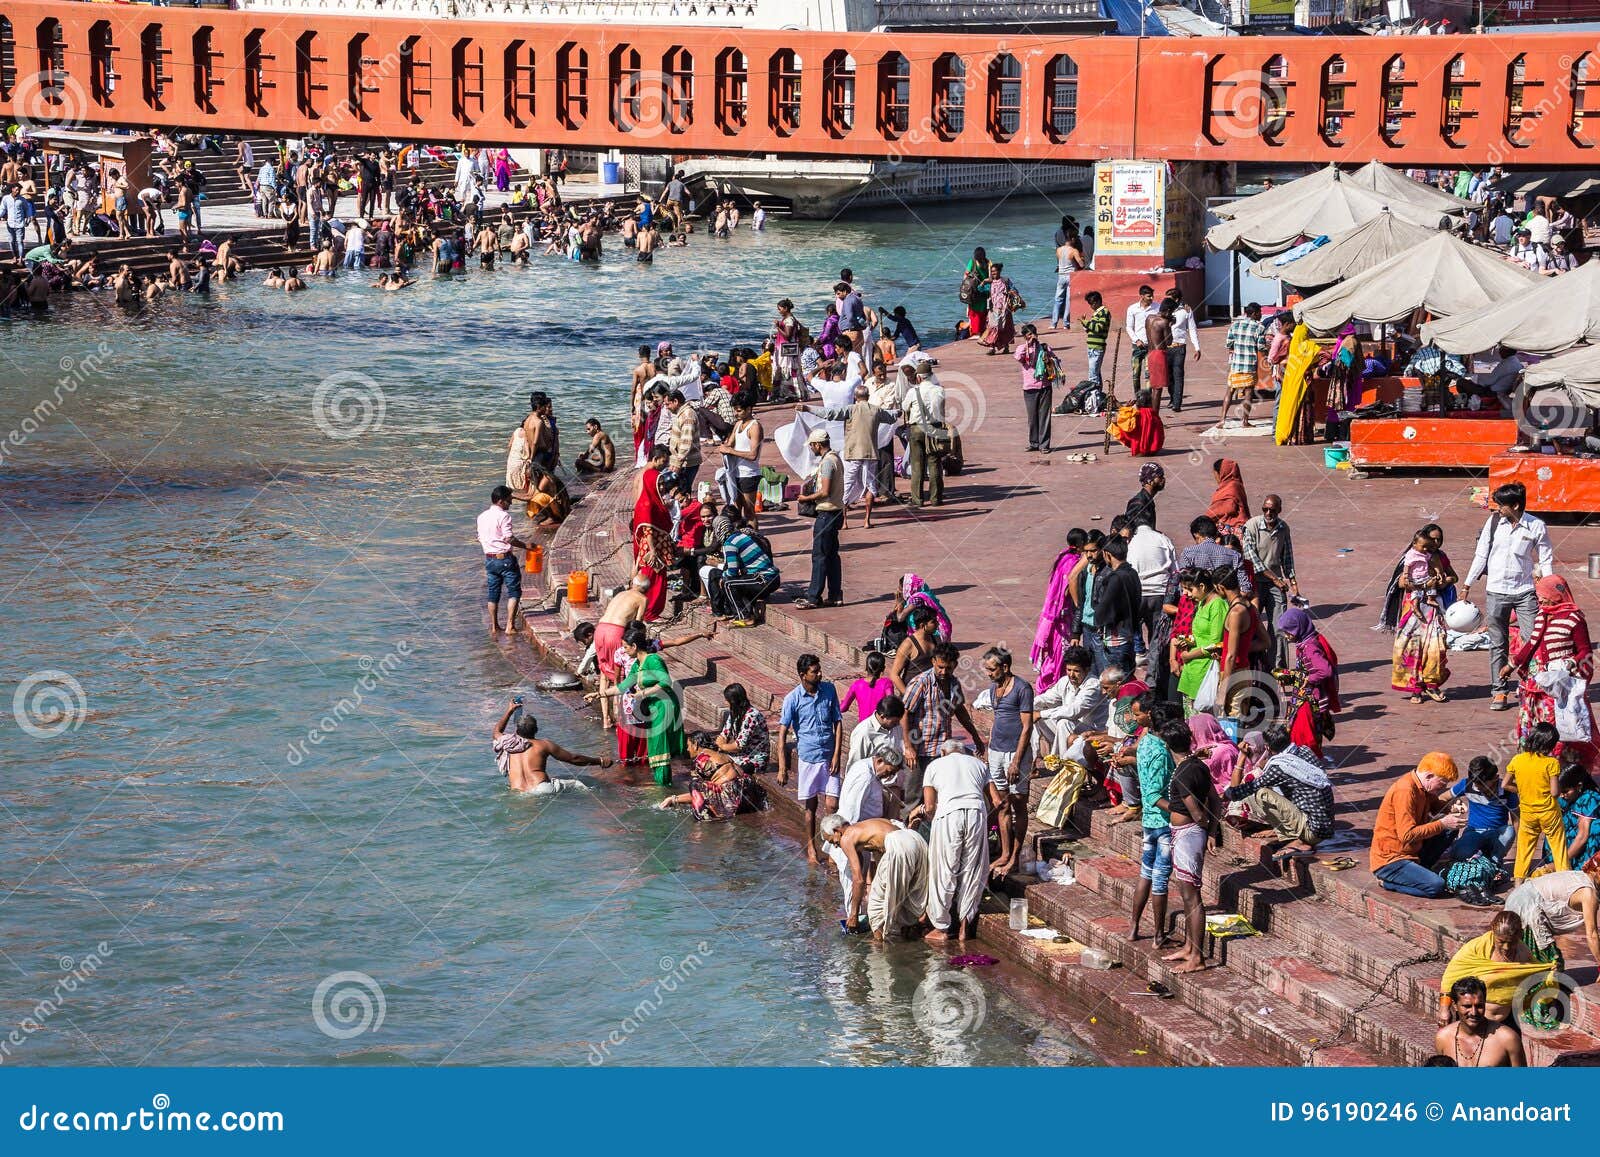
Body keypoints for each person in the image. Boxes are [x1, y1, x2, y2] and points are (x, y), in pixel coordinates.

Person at [1461, 482, 1555, 712]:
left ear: (1515, 505)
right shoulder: (1493, 523)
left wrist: (1548, 590)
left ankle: (1530, 685)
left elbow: (1546, 560)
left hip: (1525, 593)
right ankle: (1499, 691)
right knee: (1498, 643)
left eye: (1501, 505)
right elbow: (1481, 555)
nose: (1498, 509)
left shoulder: (1536, 526)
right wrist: (1467, 584)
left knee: (1532, 641)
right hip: (1495, 591)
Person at [1504, 575, 1600, 772]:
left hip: (1559, 687)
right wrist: (1512, 664)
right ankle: (1533, 766)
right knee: (1533, 724)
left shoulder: (1574, 618)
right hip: (1534, 684)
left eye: (1542, 595)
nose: (1539, 599)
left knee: (1558, 727)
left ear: (1555, 595)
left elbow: (1585, 651)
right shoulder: (1541, 614)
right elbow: (1532, 643)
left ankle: (1557, 767)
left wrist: (1569, 663)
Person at [919, 740, 1009, 943]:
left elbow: (930, 806)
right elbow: (997, 801)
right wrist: (995, 833)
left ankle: (941, 928)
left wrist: (929, 820)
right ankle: (964, 927)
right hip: (977, 813)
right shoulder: (978, 764)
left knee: (944, 870)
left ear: (943, 752)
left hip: (948, 815)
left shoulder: (934, 766)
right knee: (973, 870)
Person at [1158, 720, 1221, 973]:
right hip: (1191, 834)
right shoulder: (1198, 765)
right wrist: (1212, 831)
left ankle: (1197, 958)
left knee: (1191, 896)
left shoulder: (1183, 774)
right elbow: (1216, 800)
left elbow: (1197, 812)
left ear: (1168, 746)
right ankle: (1189, 947)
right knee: (1187, 893)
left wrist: (1204, 827)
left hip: (1187, 835)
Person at [1221, 726, 1335, 858]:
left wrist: (1221, 797)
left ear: (1268, 748)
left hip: (1313, 831)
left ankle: (1297, 840)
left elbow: (1247, 788)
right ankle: (1294, 836)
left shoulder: (1279, 767)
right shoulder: (1304, 750)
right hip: (1327, 826)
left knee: (1260, 793)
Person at [819, 748, 904, 917]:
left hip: (861, 838)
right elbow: (851, 813)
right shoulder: (864, 776)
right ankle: (853, 921)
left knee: (857, 881)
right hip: (852, 838)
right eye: (888, 772)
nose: (888, 777)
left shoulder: (868, 769)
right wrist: (850, 844)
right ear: (879, 761)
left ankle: (857, 917)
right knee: (853, 881)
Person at [777, 653, 843, 864]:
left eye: (819, 670)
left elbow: (838, 723)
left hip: (829, 756)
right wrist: (782, 768)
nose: (819, 674)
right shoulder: (792, 699)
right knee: (811, 807)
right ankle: (811, 848)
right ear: (802, 675)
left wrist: (837, 755)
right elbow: (782, 733)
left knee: (832, 804)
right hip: (808, 758)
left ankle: (833, 848)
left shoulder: (829, 690)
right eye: (815, 671)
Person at [1369, 752, 1466, 898]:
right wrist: (1442, 823)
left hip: (1413, 852)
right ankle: (1388, 882)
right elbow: (1406, 834)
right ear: (1429, 776)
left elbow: (1435, 805)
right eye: (1442, 784)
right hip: (1391, 861)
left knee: (1450, 828)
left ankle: (1421, 870)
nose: (1442, 789)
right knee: (1437, 886)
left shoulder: (1424, 786)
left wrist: (1450, 808)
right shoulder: (1406, 791)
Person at [901, 643, 986, 806]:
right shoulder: (921, 682)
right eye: (940, 667)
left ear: (954, 665)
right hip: (919, 749)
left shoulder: (954, 683)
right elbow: (904, 713)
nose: (943, 672)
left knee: (940, 796)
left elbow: (959, 710)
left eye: (948, 668)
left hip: (942, 750)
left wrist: (975, 736)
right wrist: (908, 746)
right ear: (933, 661)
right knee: (914, 798)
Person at [821, 813, 930, 940]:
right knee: (907, 893)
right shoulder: (867, 825)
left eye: (832, 841)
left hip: (899, 845)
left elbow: (858, 880)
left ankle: (880, 947)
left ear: (837, 831)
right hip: (915, 839)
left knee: (875, 908)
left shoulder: (846, 838)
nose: (835, 846)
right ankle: (911, 928)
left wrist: (853, 915)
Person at [1439, 911, 1552, 1027]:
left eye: (1511, 942)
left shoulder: (1522, 952)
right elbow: (1450, 978)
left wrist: (1550, 971)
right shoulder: (1476, 948)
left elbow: (1535, 973)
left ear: (1520, 934)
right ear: (1492, 931)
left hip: (1507, 1021)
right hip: (1473, 1020)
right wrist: (1444, 1009)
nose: (1506, 947)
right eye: (1501, 942)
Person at [980, 646, 1035, 875]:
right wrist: (989, 746)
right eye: (987, 670)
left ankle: (1014, 855)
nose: (988, 674)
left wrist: (1016, 761)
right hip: (996, 751)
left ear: (1005, 667)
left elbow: (1027, 727)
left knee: (1019, 802)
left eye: (992, 669)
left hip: (1015, 754)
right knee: (1001, 804)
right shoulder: (994, 689)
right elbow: (997, 720)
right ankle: (1004, 852)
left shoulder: (1023, 689)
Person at [1129, 700, 1180, 944]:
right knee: (1159, 878)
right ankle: (1159, 934)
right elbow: (1154, 794)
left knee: (1145, 873)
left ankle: (1134, 928)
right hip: (1162, 822)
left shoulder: (1146, 742)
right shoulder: (1160, 751)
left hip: (1148, 821)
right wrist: (1181, 811)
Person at [619, 620, 688, 785]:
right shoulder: (638, 664)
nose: (624, 650)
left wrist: (643, 693)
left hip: (664, 706)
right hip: (652, 708)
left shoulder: (653, 660)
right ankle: (661, 782)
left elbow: (665, 681)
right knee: (655, 747)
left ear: (634, 646)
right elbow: (623, 686)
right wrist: (599, 694)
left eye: (626, 647)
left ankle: (663, 786)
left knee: (659, 747)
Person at [492, 703, 613, 793]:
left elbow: (497, 731)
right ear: (536, 730)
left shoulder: (506, 742)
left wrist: (509, 711)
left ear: (516, 730)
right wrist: (600, 761)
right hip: (542, 788)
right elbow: (574, 758)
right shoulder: (543, 744)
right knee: (577, 784)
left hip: (518, 793)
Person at [1391, 529, 1452, 705]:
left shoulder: (1440, 557)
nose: (1435, 544)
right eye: (1432, 540)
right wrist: (1424, 583)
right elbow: (1403, 582)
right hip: (1413, 608)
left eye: (1439, 540)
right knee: (1411, 648)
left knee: (1435, 647)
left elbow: (1453, 577)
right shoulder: (1411, 557)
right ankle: (1415, 688)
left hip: (1434, 608)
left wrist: (1442, 581)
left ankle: (1432, 685)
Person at [1505, 722, 1571, 881]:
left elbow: (1505, 784)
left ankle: (1518, 882)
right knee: (1558, 848)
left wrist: (1523, 790)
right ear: (1550, 744)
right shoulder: (1551, 763)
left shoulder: (1517, 760)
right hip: (1549, 813)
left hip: (1528, 813)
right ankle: (1564, 882)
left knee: (1524, 848)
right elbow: (1555, 792)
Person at [1504, 867, 1600, 970]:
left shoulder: (1583, 875)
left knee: (1521, 955)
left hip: (1519, 897)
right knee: (1551, 965)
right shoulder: (1588, 893)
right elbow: (1592, 935)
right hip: (1525, 906)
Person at [658, 731, 767, 820]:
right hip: (750, 791)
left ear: (695, 744)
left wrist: (673, 799)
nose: (687, 749)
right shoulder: (722, 755)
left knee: (695, 785)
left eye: (688, 746)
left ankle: (706, 819)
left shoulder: (700, 760)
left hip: (732, 796)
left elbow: (697, 795)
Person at [1242, 495, 1297, 661]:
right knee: (1250, 625)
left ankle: (1278, 667)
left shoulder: (1283, 528)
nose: (1268, 513)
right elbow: (1251, 558)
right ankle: (1252, 661)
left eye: (1272, 510)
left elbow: (1287, 558)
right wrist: (1275, 579)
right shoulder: (1251, 526)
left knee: (1280, 626)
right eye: (1265, 509)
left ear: (1279, 510)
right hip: (1254, 582)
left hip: (1275, 583)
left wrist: (1293, 583)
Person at [794, 428, 844, 610]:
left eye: (812, 446)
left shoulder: (828, 463)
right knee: (831, 556)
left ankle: (813, 596)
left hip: (827, 513)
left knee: (820, 556)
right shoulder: (835, 458)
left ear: (817, 444)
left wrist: (805, 498)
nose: (811, 449)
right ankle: (835, 595)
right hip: (836, 511)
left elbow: (825, 491)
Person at [1032, 645, 1109, 760]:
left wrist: (1041, 714)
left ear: (1087, 670)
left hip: (1093, 732)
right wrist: (1024, 706)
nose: (1071, 675)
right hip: (1073, 730)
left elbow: (1073, 711)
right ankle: (1032, 761)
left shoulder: (1093, 686)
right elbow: (1046, 698)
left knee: (1063, 722)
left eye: (1076, 671)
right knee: (1033, 714)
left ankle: (1066, 765)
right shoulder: (1065, 681)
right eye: (1069, 670)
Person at [1032, 529, 1086, 688]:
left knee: (1056, 654)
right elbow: (1069, 585)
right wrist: (1078, 604)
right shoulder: (1072, 561)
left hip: (1056, 616)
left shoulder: (1064, 556)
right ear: (1079, 545)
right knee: (1059, 654)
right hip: (1061, 617)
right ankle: (1054, 685)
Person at [477, 486, 532, 636]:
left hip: (489, 559)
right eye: (509, 500)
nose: (511, 503)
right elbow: (509, 538)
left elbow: (480, 538)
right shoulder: (504, 516)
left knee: (493, 593)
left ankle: (495, 627)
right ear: (501, 501)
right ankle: (510, 626)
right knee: (514, 591)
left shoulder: (481, 516)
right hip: (505, 559)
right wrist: (526, 546)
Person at [1434, 978, 1526, 1067]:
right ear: (1455, 1005)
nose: (1474, 1012)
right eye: (1467, 1006)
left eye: (1479, 1006)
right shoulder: (1443, 1038)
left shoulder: (1508, 1038)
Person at [1447, 755, 1517, 866]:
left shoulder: (1507, 791)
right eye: (1475, 783)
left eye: (1482, 784)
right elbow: (1443, 797)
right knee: (1460, 854)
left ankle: (1494, 863)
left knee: (1510, 831)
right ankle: (1478, 854)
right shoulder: (1467, 785)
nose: (1478, 787)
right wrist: (1452, 805)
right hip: (1474, 831)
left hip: (1497, 833)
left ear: (1495, 778)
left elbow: (1516, 819)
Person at [1175, 567, 1226, 715]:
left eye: (1189, 589)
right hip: (1192, 669)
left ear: (1202, 586)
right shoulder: (1201, 604)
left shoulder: (1217, 605)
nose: (1186, 594)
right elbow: (1200, 635)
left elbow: (1215, 644)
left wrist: (1189, 655)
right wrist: (1187, 642)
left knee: (1202, 719)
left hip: (1205, 669)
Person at [632, 445, 675, 619]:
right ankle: (650, 613)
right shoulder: (649, 498)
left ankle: (645, 612)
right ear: (656, 459)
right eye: (661, 483)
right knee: (653, 578)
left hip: (647, 536)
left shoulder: (643, 477)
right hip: (652, 544)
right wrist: (653, 550)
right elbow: (648, 526)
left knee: (646, 574)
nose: (663, 487)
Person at [902, 361, 946, 509]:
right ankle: (936, 498)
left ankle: (917, 498)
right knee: (934, 463)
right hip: (934, 428)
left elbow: (904, 406)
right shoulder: (939, 390)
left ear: (919, 378)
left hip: (917, 429)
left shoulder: (913, 392)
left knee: (917, 465)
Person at [720, 392, 764, 528]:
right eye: (735, 410)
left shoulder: (755, 426)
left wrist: (730, 451)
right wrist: (724, 446)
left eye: (739, 410)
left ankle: (755, 541)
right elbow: (730, 443)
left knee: (749, 512)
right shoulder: (738, 424)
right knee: (736, 511)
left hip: (749, 474)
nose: (736, 413)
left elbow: (753, 455)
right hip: (735, 473)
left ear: (749, 409)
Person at [1222, 303, 1267, 427]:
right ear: (1254, 314)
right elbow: (1261, 347)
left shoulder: (1235, 325)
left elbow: (1229, 344)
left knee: (1230, 391)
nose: (1261, 315)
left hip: (1236, 364)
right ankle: (1245, 421)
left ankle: (1222, 420)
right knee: (1248, 393)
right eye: (1259, 313)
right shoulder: (1260, 327)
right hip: (1250, 364)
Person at [1015, 323, 1056, 453]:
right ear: (1025, 336)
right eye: (1029, 335)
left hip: (1045, 386)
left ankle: (1044, 445)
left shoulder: (1044, 347)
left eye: (1034, 334)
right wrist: (1028, 345)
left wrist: (1047, 358)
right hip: (1029, 388)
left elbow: (1055, 359)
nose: (1032, 337)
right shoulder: (1022, 348)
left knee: (1044, 417)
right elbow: (1018, 357)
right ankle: (1034, 443)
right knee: (1032, 417)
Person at [715, 683, 770, 777]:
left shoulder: (751, 716)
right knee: (711, 760)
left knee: (728, 774)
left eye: (727, 700)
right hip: (739, 755)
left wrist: (722, 746)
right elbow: (724, 734)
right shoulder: (735, 712)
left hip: (754, 759)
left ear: (733, 701)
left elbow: (738, 746)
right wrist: (721, 744)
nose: (725, 702)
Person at [1163, 288, 1202, 414]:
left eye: (1169, 299)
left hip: (1179, 346)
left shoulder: (1185, 310)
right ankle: (1172, 397)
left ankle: (1177, 402)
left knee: (1178, 374)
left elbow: (1192, 329)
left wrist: (1197, 347)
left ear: (1177, 299)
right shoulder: (1162, 309)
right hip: (1165, 347)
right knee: (1168, 376)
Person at [1559, 763, 1600, 873]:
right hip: (1571, 850)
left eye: (1565, 791)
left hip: (1584, 850)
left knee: (1595, 827)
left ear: (1579, 786)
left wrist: (1560, 862)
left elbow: (1582, 836)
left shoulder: (1589, 798)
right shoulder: (1569, 797)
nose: (1562, 795)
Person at [841, 651, 895, 722]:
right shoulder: (886, 683)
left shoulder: (857, 685)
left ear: (866, 667)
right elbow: (892, 704)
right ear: (883, 668)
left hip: (864, 727)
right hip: (881, 727)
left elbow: (842, 708)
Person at [1204, 458, 1250, 539]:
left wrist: (1205, 518)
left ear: (1221, 473)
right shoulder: (1236, 485)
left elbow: (1226, 508)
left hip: (1234, 527)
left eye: (1215, 474)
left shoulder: (1231, 487)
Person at [1051, 227, 1086, 330]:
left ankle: (1053, 323)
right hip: (1071, 276)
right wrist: (1082, 258)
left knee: (1058, 299)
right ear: (1073, 239)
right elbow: (1081, 264)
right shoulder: (1074, 251)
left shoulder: (1058, 250)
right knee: (1068, 300)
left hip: (1061, 276)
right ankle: (1066, 323)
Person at [1125, 285, 1156, 390]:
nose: (1151, 298)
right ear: (1142, 296)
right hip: (1137, 346)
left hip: (1151, 345)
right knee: (1135, 374)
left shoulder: (1157, 307)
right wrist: (1136, 340)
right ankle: (1138, 396)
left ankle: (1147, 397)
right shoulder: (1132, 309)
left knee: (1149, 374)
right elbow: (1129, 327)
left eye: (1152, 296)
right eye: (1149, 296)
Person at [1080, 291, 1112, 391]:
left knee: (1093, 375)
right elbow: (1092, 330)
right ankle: (1098, 395)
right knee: (1096, 372)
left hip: (1097, 347)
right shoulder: (1097, 313)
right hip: (1092, 347)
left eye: (1091, 303)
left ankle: (1094, 396)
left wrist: (1085, 322)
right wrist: (1085, 324)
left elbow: (1098, 328)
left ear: (1097, 302)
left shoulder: (1104, 312)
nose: (1091, 306)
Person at [1125, 463, 1165, 531]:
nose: (1163, 480)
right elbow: (1130, 529)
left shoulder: (1147, 499)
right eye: (1160, 477)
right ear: (1150, 481)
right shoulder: (1139, 503)